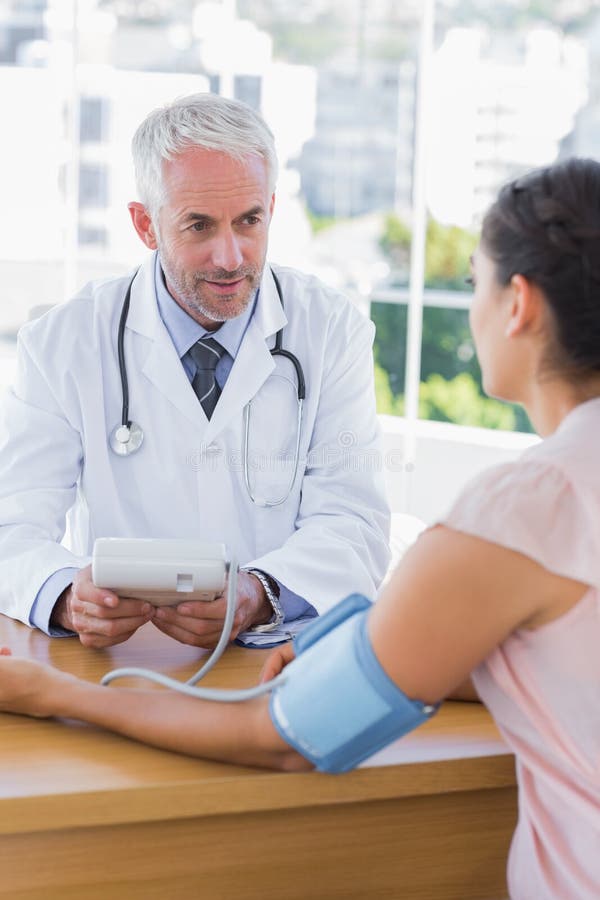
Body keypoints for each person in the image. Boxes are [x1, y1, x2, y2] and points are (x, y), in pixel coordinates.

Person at [2, 156, 600, 899]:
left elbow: (292, 736)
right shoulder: (543, 508)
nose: (231, 252)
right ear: (146, 224)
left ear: (518, 305)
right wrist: (356, 649)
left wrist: (51, 693)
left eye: (472, 279)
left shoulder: (515, 514)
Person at [0, 93, 390, 650]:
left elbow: (354, 523)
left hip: (278, 658)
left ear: (272, 209)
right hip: (116, 666)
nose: (230, 257)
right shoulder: (62, 343)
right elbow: (11, 527)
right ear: (145, 225)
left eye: (249, 220)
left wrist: (258, 595)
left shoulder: (332, 331)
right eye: (199, 226)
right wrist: (66, 595)